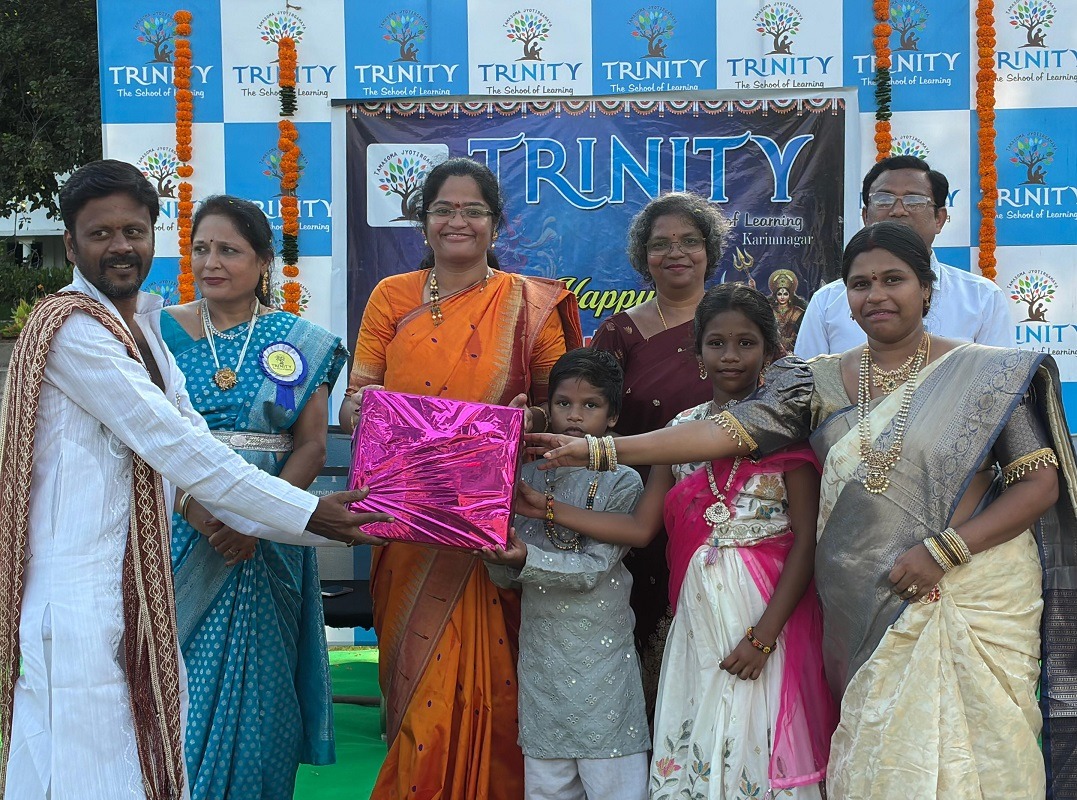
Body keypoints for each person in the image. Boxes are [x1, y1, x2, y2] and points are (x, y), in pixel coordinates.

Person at [533, 221, 1077, 798]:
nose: (877, 295)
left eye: (894, 279)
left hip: (971, 593)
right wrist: (603, 449)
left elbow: (1038, 486)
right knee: (879, 756)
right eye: (860, 283)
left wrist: (945, 551)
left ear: (927, 288)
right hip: (867, 594)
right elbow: (731, 430)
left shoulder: (987, 373)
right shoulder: (815, 381)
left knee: (981, 756)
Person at [0, 160, 391, 800]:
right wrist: (309, 515)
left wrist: (280, 518)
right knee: (86, 772)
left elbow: (193, 447)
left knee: (145, 764)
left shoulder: (146, 332)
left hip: (140, 585)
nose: (121, 246)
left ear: (154, 237)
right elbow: (180, 447)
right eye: (100, 234)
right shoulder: (74, 330)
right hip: (84, 597)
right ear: (70, 244)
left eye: (134, 230)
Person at [523, 286, 835, 798]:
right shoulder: (679, 431)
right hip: (696, 616)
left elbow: (806, 543)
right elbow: (641, 529)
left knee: (756, 735)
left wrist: (763, 637)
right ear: (697, 352)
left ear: (770, 351)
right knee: (700, 736)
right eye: (716, 343)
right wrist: (550, 508)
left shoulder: (787, 429)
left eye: (745, 343)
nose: (730, 356)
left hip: (765, 616)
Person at [339, 157, 583, 799]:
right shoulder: (390, 296)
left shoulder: (530, 303)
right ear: (423, 222)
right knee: (420, 689)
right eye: (444, 208)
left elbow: (554, 406)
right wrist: (366, 408)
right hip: (408, 526)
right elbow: (357, 397)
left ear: (495, 224)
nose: (458, 220)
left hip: (490, 521)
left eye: (473, 210)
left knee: (489, 684)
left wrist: (471, 431)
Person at [160, 196, 345, 799]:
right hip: (182, 528)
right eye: (202, 249)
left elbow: (312, 446)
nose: (212, 262)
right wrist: (199, 509)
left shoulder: (301, 341)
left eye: (229, 250)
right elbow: (145, 440)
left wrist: (258, 522)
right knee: (179, 682)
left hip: (271, 538)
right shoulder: (156, 331)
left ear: (263, 260)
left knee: (261, 694)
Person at [479, 349, 648, 800]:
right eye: (563, 404)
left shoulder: (623, 481)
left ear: (612, 416)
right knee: (548, 788)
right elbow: (506, 581)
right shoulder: (529, 475)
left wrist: (522, 559)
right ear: (546, 407)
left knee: (617, 787)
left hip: (604, 663)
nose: (574, 417)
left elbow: (592, 569)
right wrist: (495, 553)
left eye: (590, 406)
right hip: (542, 666)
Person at [589, 192, 730, 715]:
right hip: (644, 515)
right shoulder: (620, 332)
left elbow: (773, 413)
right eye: (661, 244)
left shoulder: (738, 324)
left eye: (690, 241)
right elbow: (588, 416)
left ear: (709, 251)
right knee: (648, 655)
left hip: (732, 517)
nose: (677, 253)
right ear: (642, 256)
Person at [794, 155, 1010, 358]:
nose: (898, 211)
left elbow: (1001, 384)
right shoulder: (827, 302)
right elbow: (807, 388)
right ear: (865, 216)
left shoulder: (982, 298)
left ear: (939, 219)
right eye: (883, 199)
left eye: (914, 200)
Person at [767, 268, 807, 353]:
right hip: (772, 349)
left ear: (790, 295)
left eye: (785, 294)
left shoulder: (797, 312)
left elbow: (804, 333)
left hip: (793, 350)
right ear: (775, 295)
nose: (782, 297)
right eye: (779, 294)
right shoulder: (769, 310)